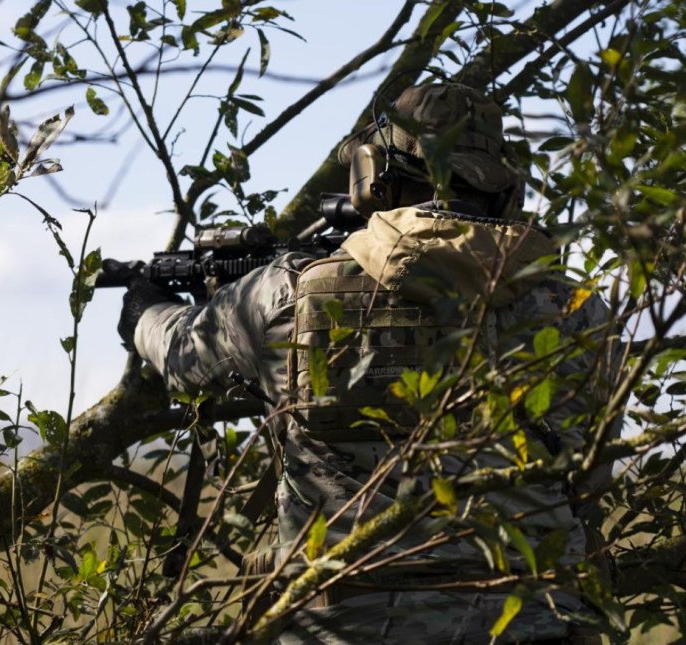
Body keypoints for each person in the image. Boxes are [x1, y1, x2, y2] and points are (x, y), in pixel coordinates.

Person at [118, 83, 622, 643]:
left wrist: (143, 311)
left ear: (374, 176)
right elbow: (591, 474)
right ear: (505, 191)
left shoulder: (290, 292)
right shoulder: (579, 311)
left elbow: (184, 355)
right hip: (533, 622)